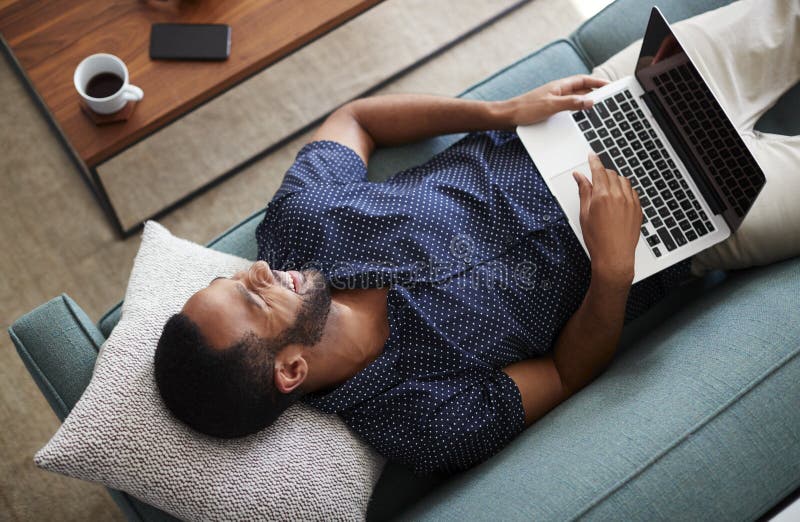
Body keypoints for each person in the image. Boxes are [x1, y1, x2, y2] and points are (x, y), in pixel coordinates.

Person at [153, 0, 800, 476]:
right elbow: (565, 372)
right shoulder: (423, 422)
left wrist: (505, 109)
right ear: (290, 370)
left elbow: (355, 119)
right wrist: (611, 270)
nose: (260, 269)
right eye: (254, 300)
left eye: (235, 278)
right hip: (681, 233)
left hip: (584, 119)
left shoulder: (301, 225)